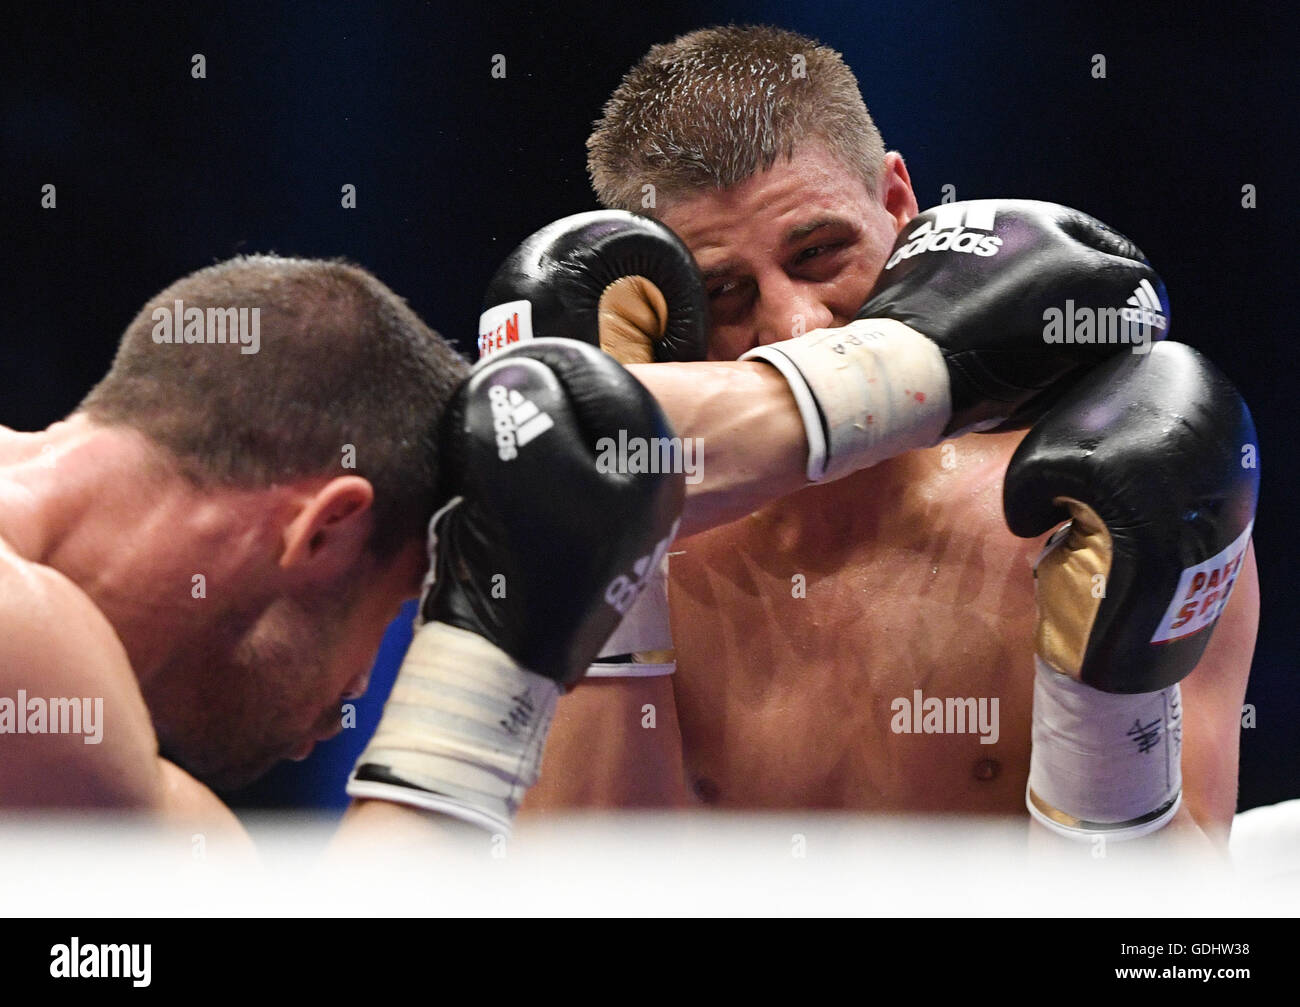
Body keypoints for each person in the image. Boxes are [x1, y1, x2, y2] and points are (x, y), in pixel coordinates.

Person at [514, 25, 1260, 849]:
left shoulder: (1088, 503)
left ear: (899, 200)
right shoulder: (646, 534)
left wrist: (1107, 709)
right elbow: (582, 889)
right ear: (657, 307)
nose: (794, 325)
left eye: (821, 252)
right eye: (723, 293)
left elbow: (1178, 960)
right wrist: (609, 555)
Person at [0, 255, 684, 853]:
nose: (356, 693)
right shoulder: (29, 638)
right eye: (399, 609)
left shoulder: (68, 711)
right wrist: (494, 668)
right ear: (325, 529)